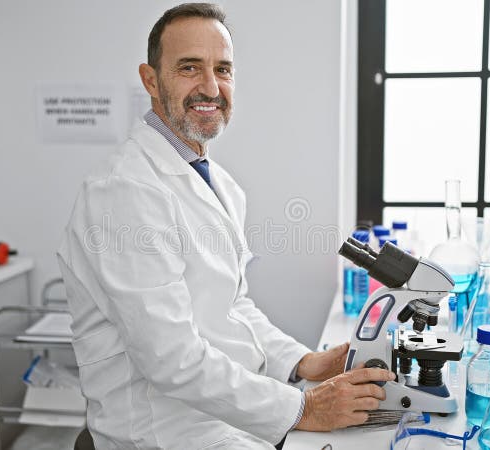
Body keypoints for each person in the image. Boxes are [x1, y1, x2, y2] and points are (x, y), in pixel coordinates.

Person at [57, 3, 393, 449]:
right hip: (163, 435)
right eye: (189, 68)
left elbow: (233, 307)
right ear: (151, 80)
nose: (211, 87)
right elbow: (171, 358)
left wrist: (302, 362)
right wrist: (304, 409)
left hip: (223, 419)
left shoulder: (220, 184)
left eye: (223, 69)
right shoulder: (123, 192)